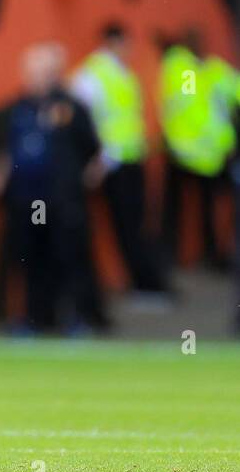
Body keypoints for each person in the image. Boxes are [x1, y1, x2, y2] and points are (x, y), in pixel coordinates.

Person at [0, 43, 106, 333]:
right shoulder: (19, 107)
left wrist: (76, 181)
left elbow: (92, 149)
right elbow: (8, 149)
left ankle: (76, 318)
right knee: (32, 258)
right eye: (31, 71)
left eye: (41, 71)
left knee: (69, 257)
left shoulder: (71, 107)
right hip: (29, 199)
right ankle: (36, 319)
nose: (35, 77)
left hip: (62, 198)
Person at [71, 24, 171, 304]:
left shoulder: (121, 72)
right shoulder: (91, 76)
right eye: (126, 43)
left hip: (131, 159)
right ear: (113, 42)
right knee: (128, 228)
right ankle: (145, 285)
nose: (130, 50)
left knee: (138, 226)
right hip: (112, 165)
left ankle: (150, 282)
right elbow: (85, 124)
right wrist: (100, 160)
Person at [159, 33, 239, 271]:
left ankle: (210, 255)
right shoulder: (185, 70)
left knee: (204, 208)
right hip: (192, 152)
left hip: (203, 153)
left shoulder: (209, 70)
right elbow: (189, 102)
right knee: (191, 209)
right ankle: (200, 256)